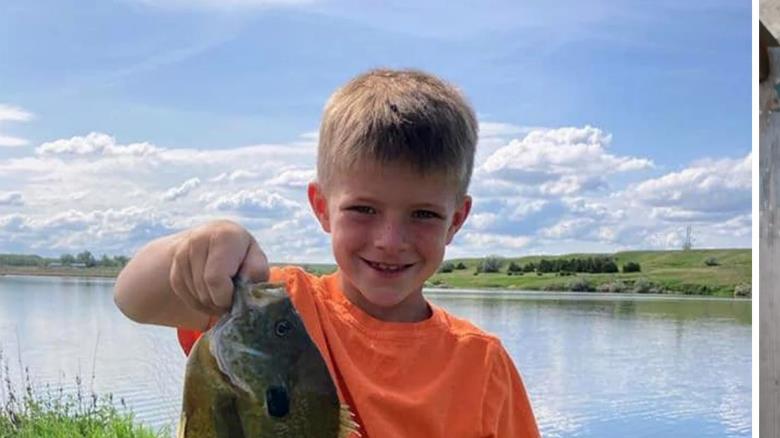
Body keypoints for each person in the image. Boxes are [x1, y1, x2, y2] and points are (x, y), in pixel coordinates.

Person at [114, 68, 540, 437]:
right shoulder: (279, 308)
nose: (390, 240)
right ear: (321, 208)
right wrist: (205, 243)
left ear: (456, 220)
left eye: (423, 214)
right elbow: (134, 297)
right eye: (363, 209)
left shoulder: (483, 366)